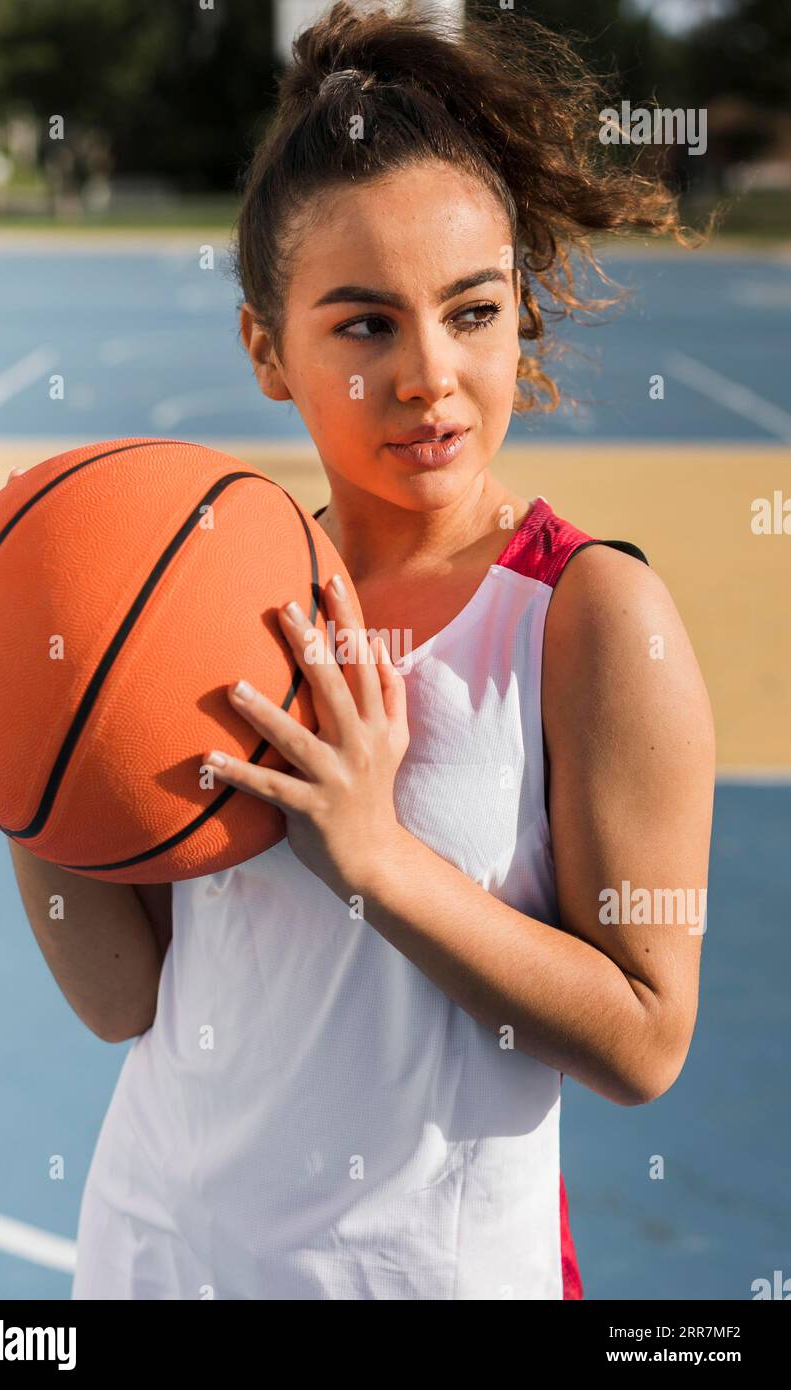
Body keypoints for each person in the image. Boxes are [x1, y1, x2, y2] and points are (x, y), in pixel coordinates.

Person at [60, 2, 712, 1299]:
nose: (428, 373)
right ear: (265, 348)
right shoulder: (195, 598)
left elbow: (645, 1038)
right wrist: (34, 753)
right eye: (363, 326)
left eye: (469, 312)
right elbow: (123, 999)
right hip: (154, 1262)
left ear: (516, 318)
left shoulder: (583, 615)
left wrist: (375, 858)